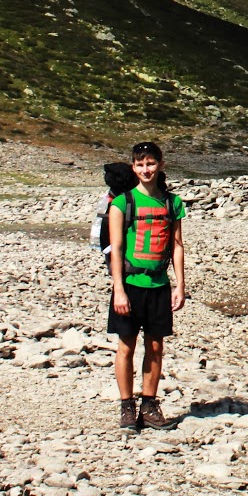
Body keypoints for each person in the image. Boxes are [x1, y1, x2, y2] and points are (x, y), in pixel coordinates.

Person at [107, 140, 187, 430]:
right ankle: (127, 407)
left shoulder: (173, 203)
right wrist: (118, 290)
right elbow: (116, 249)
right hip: (130, 285)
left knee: (155, 346)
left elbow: (177, 246)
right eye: (140, 164)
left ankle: (150, 406)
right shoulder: (122, 203)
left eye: (150, 163)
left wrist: (180, 285)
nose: (146, 169)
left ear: (160, 165)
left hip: (159, 285)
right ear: (133, 167)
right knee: (126, 346)